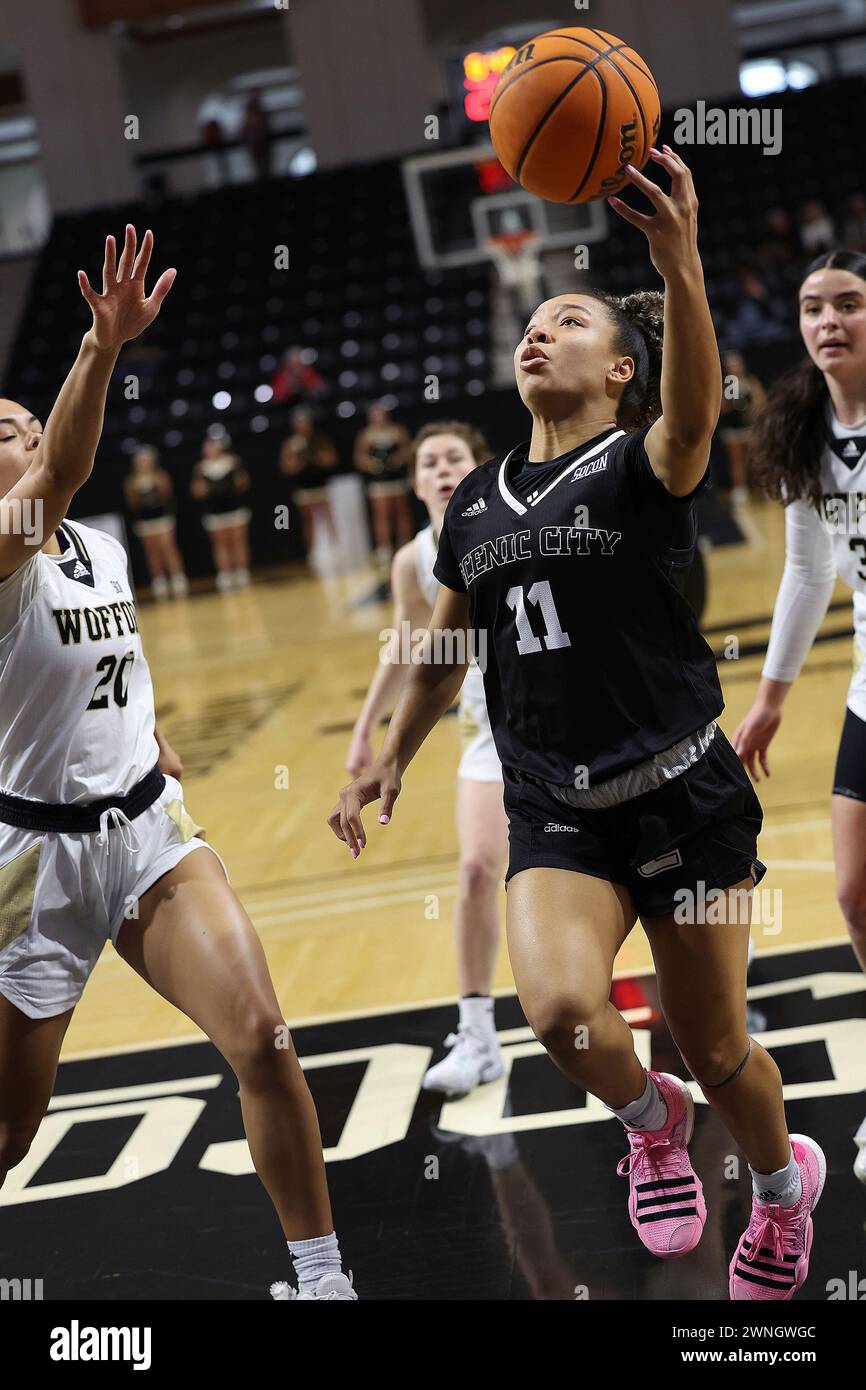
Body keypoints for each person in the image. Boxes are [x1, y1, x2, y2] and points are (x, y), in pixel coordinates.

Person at [328, 148, 825, 1301]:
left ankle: (780, 1187)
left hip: (687, 796)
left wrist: (679, 259)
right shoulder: (474, 505)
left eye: (568, 320)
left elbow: (698, 406)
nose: (537, 333)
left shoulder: (643, 460)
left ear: (619, 369)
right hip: (557, 805)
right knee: (557, 1011)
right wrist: (384, 761)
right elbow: (445, 654)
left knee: (719, 1047)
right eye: (532, 324)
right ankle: (653, 1125)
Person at [0, 225, 356, 1300]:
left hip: (150, 832)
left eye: (14, 421)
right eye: (1, 429)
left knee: (263, 1038)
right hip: (34, 865)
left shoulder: (98, 547)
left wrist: (144, 733)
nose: (16, 436)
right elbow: (62, 466)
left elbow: (112, 659)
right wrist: (102, 346)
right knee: (12, 1132)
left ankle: (321, 1278)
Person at [732, 247, 866, 1187]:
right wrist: (771, 699)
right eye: (815, 306)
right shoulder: (807, 430)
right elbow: (810, 572)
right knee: (856, 894)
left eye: (851, 305)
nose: (830, 322)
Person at [347, 421, 506, 1094]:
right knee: (475, 869)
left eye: (455, 458)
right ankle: (478, 1036)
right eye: (430, 461)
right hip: (487, 734)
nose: (442, 468)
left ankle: (713, 983)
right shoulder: (413, 558)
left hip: (564, 722)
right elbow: (413, 644)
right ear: (413, 482)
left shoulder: (509, 518)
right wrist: (368, 730)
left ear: (478, 466)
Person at [123, 444, 188, 600]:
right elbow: (132, 503)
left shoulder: (160, 476)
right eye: (140, 460)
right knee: (152, 552)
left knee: (168, 548)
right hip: (145, 521)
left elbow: (166, 496)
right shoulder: (131, 481)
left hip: (162, 518)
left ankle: (177, 578)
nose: (143, 463)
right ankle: (159, 581)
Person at [191, 433, 252, 590]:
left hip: (234, 508)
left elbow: (243, 483)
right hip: (214, 511)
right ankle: (225, 574)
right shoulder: (201, 468)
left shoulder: (233, 462)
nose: (210, 448)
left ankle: (242, 572)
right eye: (208, 445)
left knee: (238, 541)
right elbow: (197, 491)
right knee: (220, 544)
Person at [354, 404, 414, 564]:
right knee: (381, 515)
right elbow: (359, 458)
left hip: (397, 479)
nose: (379, 419)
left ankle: (405, 544)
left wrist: (399, 459)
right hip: (379, 482)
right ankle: (384, 547)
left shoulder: (398, 431)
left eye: (381, 415)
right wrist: (372, 464)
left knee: (402, 512)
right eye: (375, 416)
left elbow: (409, 450)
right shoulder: (366, 436)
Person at [279, 407, 338, 560]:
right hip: (303, 487)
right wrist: (300, 461)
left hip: (320, 484)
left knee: (328, 516)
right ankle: (313, 552)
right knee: (308, 520)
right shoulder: (291, 444)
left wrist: (317, 458)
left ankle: (335, 547)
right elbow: (287, 467)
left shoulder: (319, 439)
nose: (303, 425)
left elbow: (331, 459)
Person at [718, 351, 766, 505]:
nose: (735, 368)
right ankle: (740, 489)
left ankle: (762, 488)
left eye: (737, 365)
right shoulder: (726, 383)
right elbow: (719, 408)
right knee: (736, 460)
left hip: (749, 429)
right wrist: (730, 401)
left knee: (757, 459)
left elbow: (761, 402)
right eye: (731, 365)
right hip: (732, 429)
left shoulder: (750, 381)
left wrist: (753, 410)